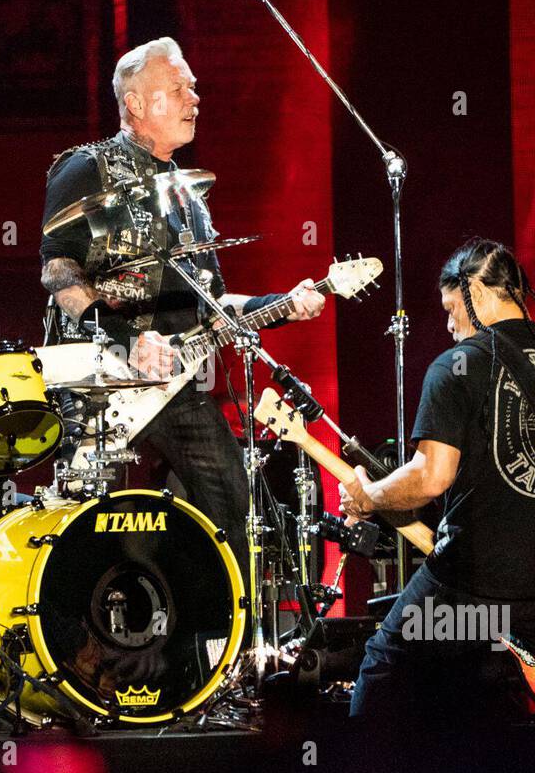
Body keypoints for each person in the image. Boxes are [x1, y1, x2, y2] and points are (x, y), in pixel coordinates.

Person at [38, 36, 325, 566]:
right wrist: (125, 338)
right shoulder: (86, 168)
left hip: (174, 378)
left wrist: (284, 302)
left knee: (234, 505)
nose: (196, 99)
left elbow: (213, 302)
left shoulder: (188, 195)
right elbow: (58, 271)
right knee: (87, 528)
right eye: (180, 88)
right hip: (98, 380)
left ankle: (223, 639)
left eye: (193, 88)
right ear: (138, 104)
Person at [338, 238, 535, 742]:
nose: (450, 326)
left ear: (476, 290)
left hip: (475, 582)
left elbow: (431, 478)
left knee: (385, 667)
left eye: (452, 309)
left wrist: (369, 497)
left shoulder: (456, 366)